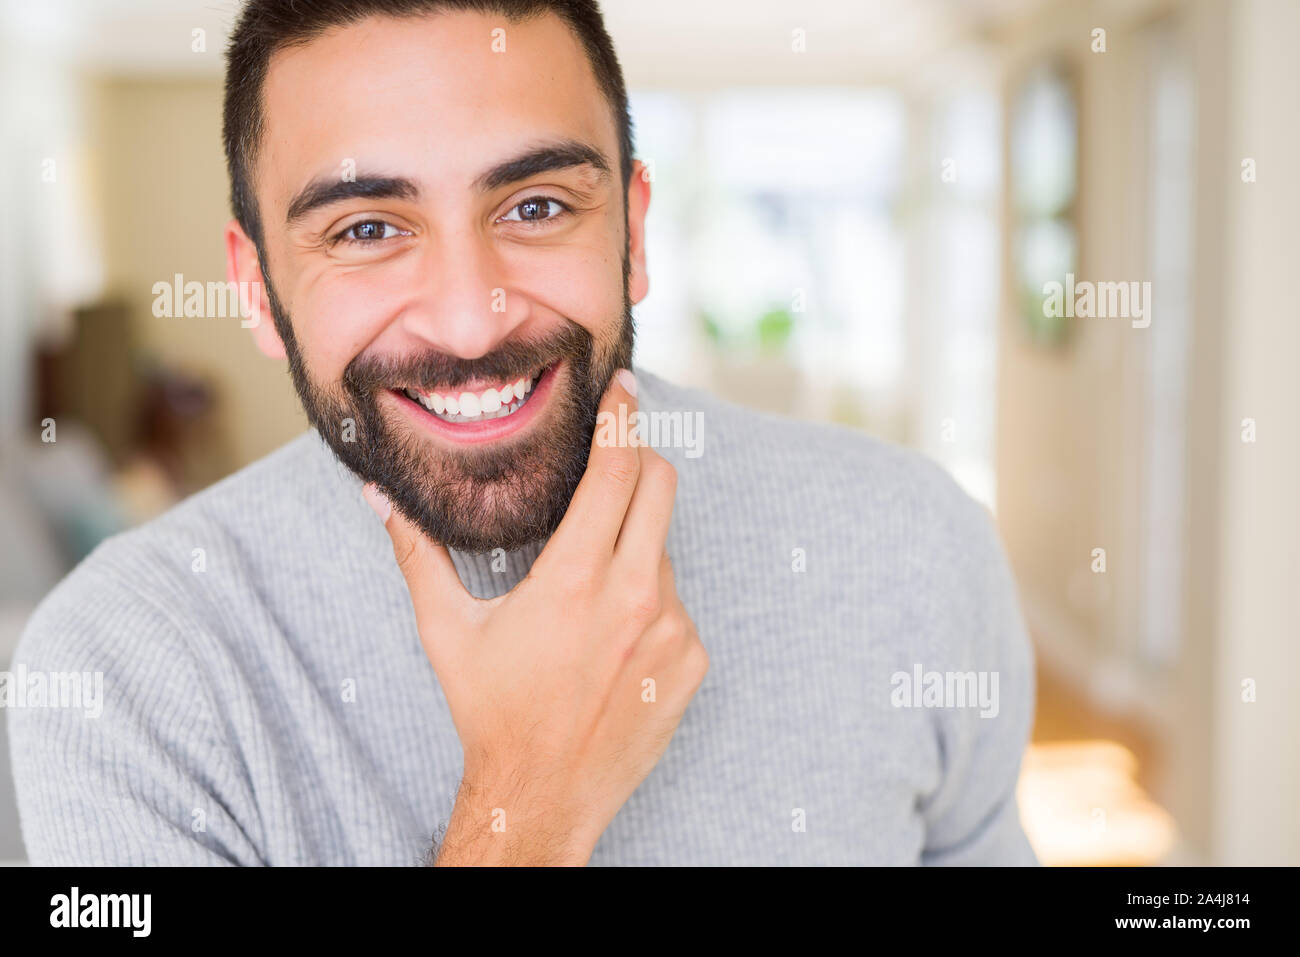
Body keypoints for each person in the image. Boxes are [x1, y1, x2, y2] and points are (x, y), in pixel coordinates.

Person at [8, 0, 1037, 865]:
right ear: (257, 288)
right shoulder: (123, 672)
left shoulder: (912, 543)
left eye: (537, 206)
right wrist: (529, 798)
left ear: (632, 234)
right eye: (367, 230)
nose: (469, 320)